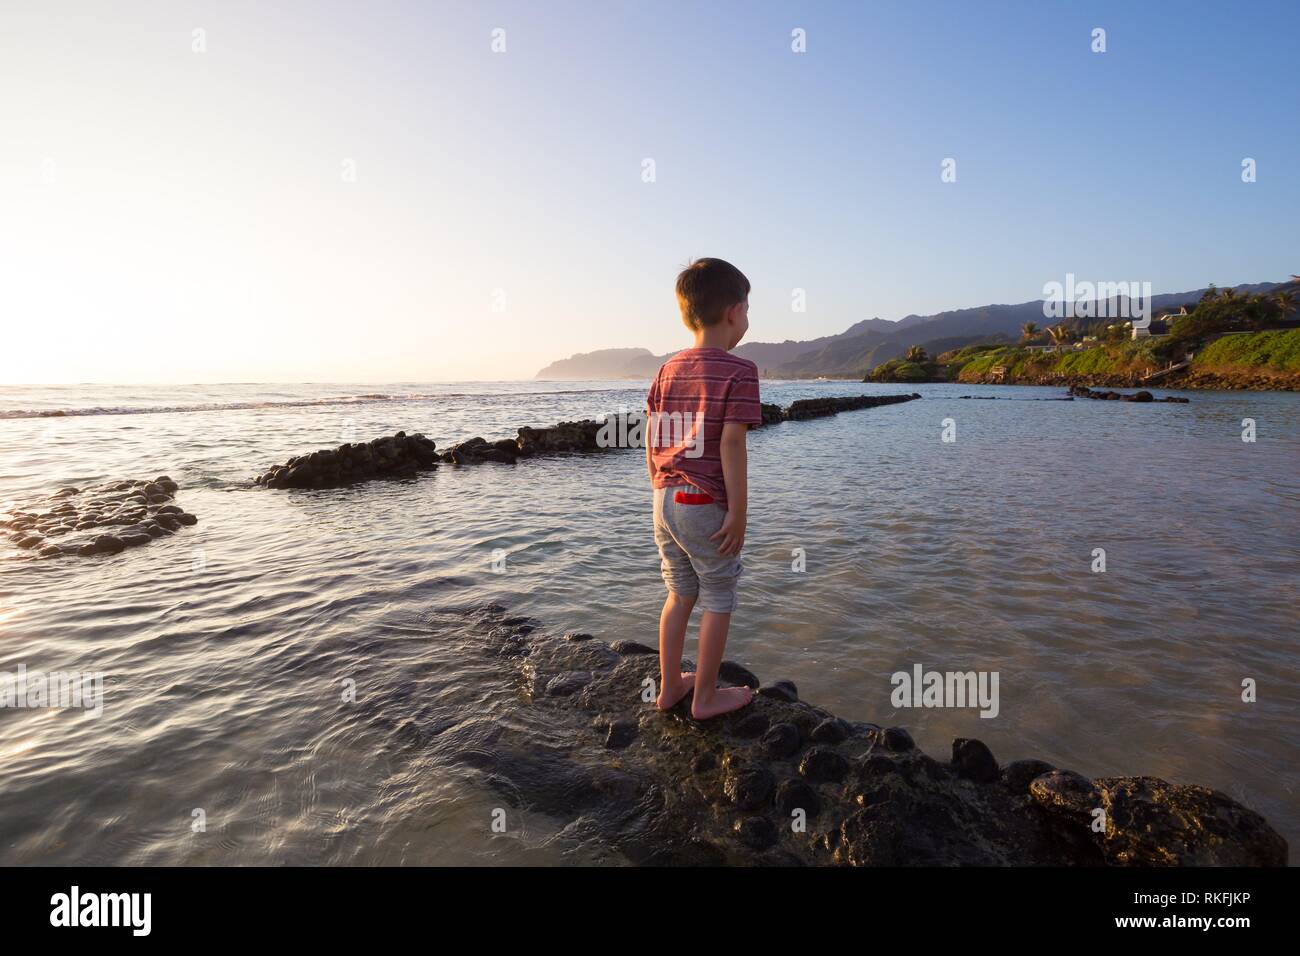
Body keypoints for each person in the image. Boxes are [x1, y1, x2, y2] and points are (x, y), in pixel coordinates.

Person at [645, 258, 761, 719]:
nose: (747, 319)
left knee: (679, 592)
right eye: (748, 309)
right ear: (734, 312)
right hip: (703, 501)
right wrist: (738, 511)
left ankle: (670, 685)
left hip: (664, 499)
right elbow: (731, 442)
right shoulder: (739, 370)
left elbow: (653, 437)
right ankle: (705, 698)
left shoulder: (666, 370)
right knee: (719, 596)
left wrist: (658, 485)